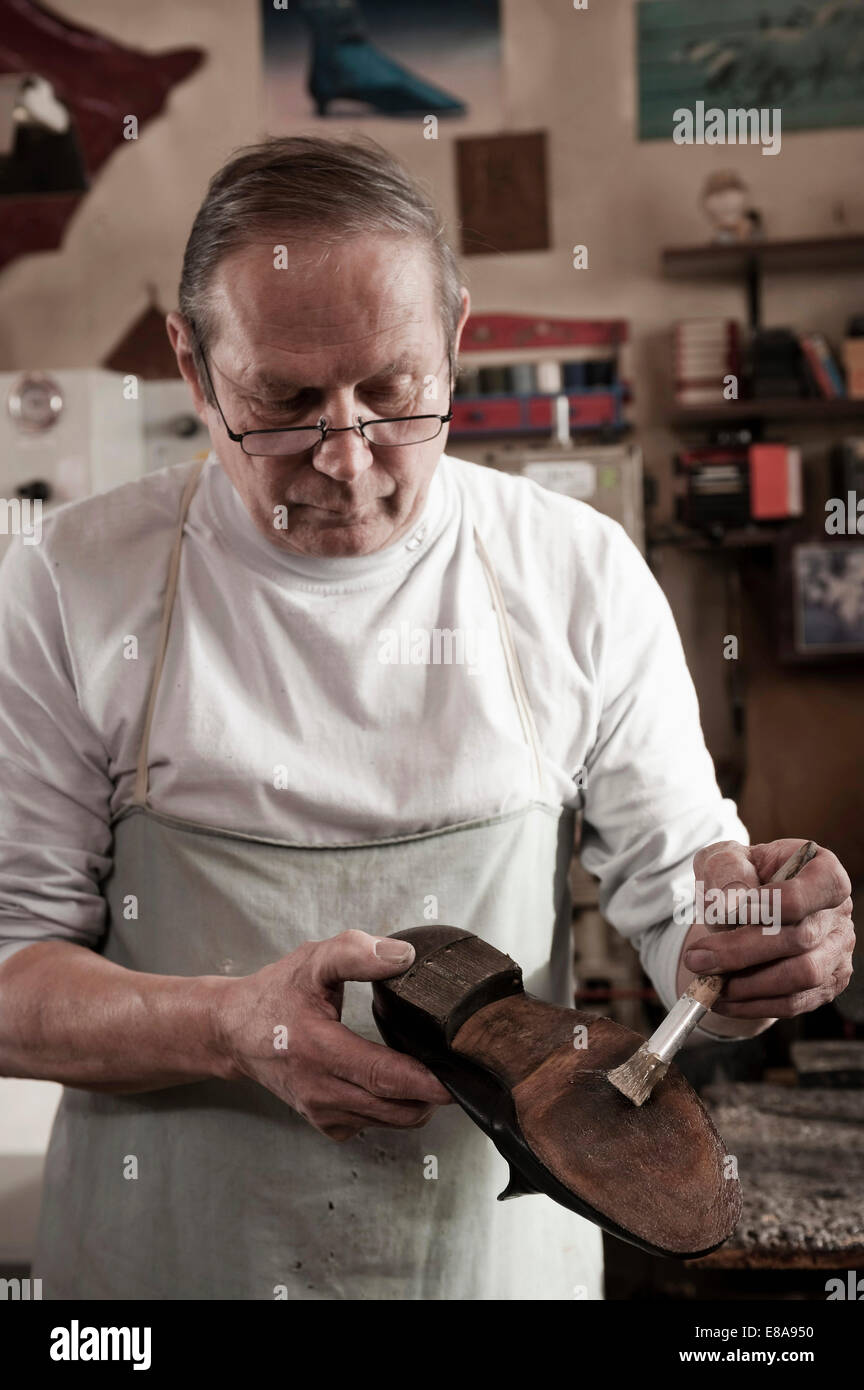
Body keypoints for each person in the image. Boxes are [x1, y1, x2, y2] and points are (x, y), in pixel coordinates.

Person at [0, 136, 853, 1301]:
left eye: (393, 393)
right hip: (167, 1272)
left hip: (490, 1268)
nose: (348, 461)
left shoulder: (577, 572)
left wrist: (748, 941)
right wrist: (229, 1027)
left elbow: (677, 895)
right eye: (286, 402)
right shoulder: (67, 585)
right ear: (194, 368)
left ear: (455, 342)